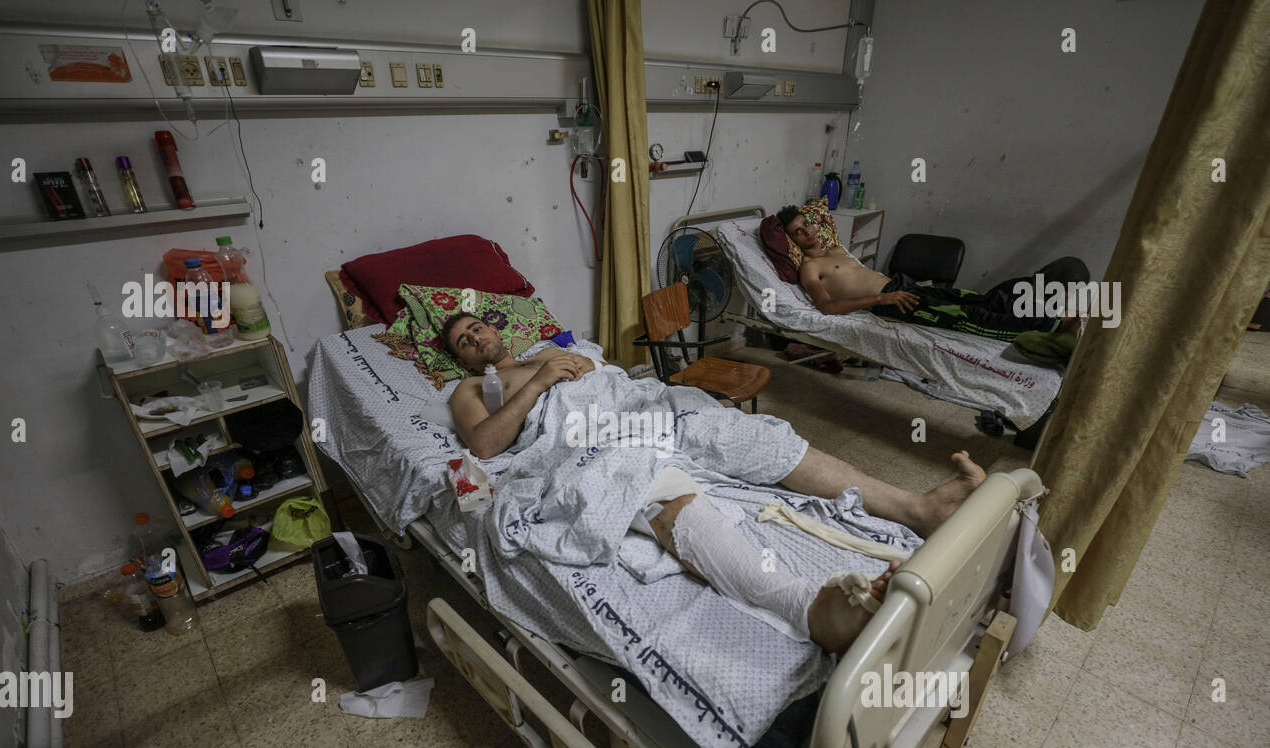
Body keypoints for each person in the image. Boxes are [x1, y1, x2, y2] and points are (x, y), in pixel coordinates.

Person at [440, 311, 984, 655]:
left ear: (496, 326)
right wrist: (538, 383)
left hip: (643, 407)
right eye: (463, 341)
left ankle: (915, 508)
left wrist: (561, 366)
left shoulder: (558, 348)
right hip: (587, 439)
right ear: (460, 356)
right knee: (644, 481)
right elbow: (485, 446)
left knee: (749, 435)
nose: (475, 339)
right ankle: (808, 609)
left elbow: (616, 381)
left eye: (477, 327)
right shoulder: (470, 389)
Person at [777, 205, 1087, 341]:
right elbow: (827, 307)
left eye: (808, 224)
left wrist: (897, 289)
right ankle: (1057, 324)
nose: (807, 232)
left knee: (982, 298)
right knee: (972, 319)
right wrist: (880, 301)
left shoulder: (837, 249)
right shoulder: (810, 269)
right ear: (791, 241)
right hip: (894, 303)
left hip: (903, 286)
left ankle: (1052, 298)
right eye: (798, 232)